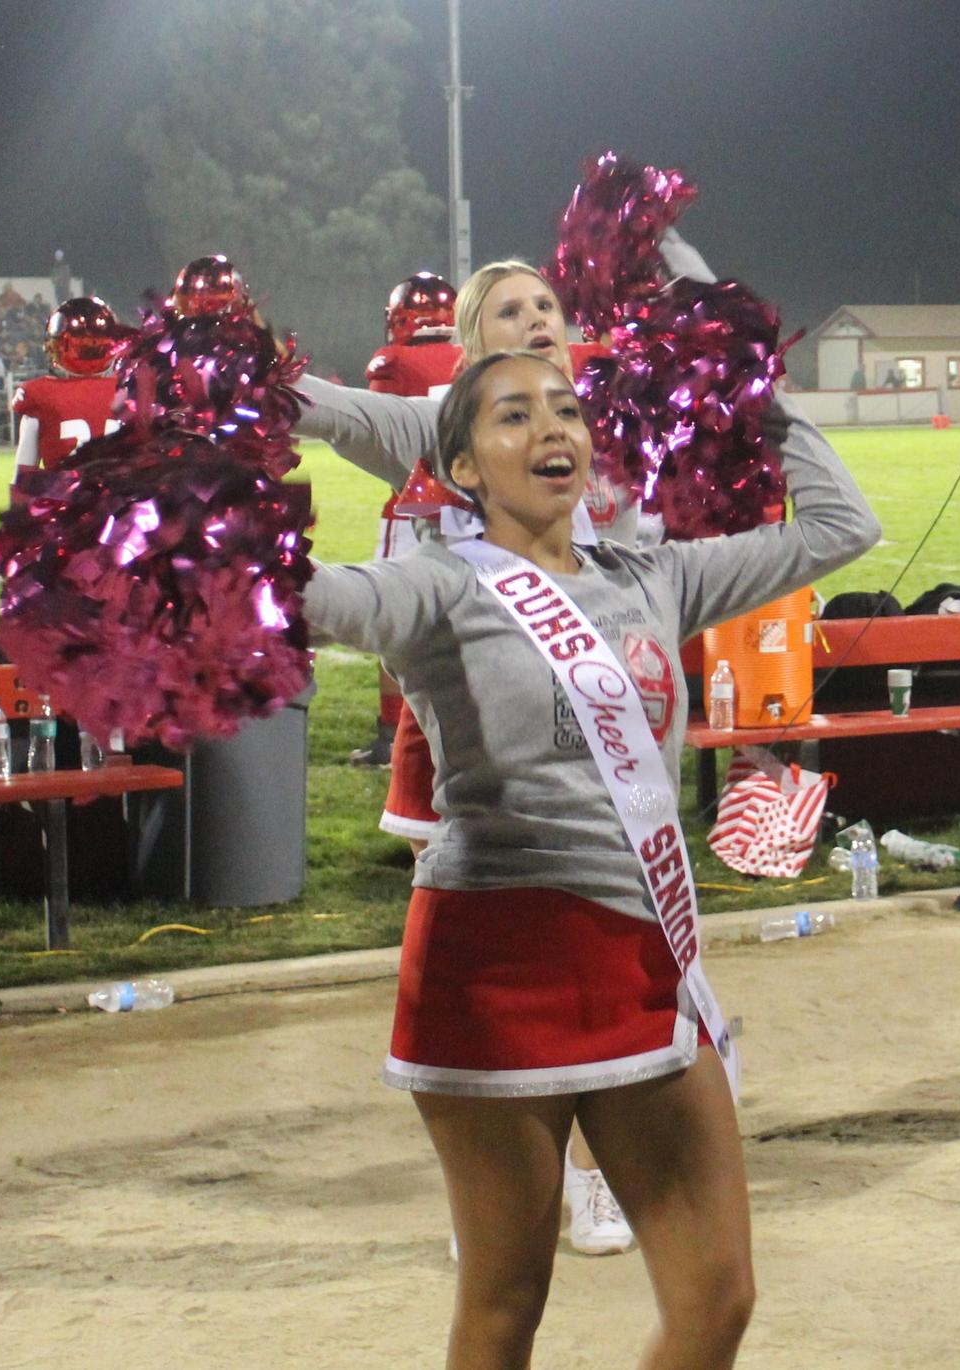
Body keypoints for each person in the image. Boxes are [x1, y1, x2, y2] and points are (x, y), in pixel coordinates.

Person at [303, 349, 878, 1368]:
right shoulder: (438, 585)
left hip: (641, 959)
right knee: (505, 1301)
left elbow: (843, 528)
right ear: (464, 465)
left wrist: (753, 392)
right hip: (496, 958)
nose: (552, 431)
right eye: (515, 417)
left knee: (718, 1294)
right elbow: (314, 601)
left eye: (566, 411)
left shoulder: (655, 577)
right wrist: (198, 533)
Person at [288, 230, 759, 1257]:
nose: (536, 320)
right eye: (508, 312)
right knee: (499, 931)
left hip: (612, 705)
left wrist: (679, 256)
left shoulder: (611, 415)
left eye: (546, 304)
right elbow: (321, 407)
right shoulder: (439, 420)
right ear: (467, 343)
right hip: (480, 715)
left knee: (610, 936)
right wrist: (231, 379)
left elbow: (724, 353)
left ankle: (592, 1178)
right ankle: (504, 1169)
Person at [350, 272, 464, 770]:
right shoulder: (474, 357)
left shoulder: (393, 361)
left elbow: (380, 433)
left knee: (394, 619)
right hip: (470, 510)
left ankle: (390, 733)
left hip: (412, 501)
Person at [11, 299, 124, 496]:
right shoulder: (132, 390)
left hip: (66, 513)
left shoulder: (39, 394)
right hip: (123, 514)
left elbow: (24, 481)